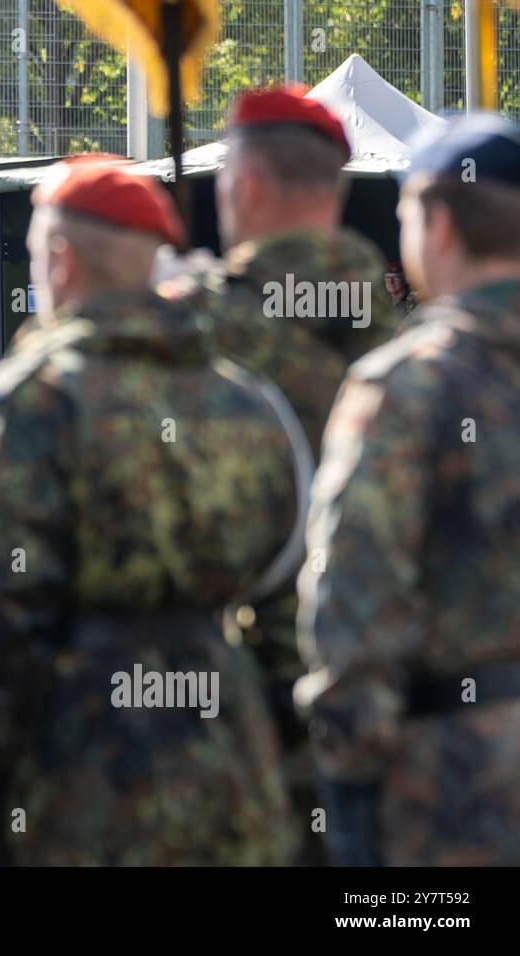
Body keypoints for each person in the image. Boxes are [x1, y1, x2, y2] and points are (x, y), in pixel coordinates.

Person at [0, 158, 304, 866]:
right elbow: (287, 605)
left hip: (82, 774)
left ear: (62, 262)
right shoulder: (246, 399)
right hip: (232, 765)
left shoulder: (37, 396)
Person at [159, 87, 400, 861]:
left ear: (248, 185)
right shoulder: (406, 342)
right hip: (399, 712)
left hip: (228, 715)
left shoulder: (194, 330)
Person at [295, 114, 520, 867]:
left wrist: (350, 786)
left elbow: (354, 604)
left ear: (438, 223)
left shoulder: (407, 386)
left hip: (455, 787)